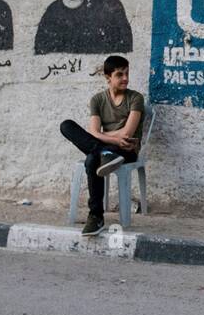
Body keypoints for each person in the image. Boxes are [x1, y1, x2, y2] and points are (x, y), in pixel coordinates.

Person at [59, 55, 145, 236]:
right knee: (66, 125)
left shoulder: (136, 98)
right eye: (120, 74)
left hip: (126, 151)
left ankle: (95, 216)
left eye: (127, 73)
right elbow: (93, 132)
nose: (125, 78)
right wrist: (111, 139)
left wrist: (102, 136)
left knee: (91, 159)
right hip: (108, 148)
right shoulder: (97, 100)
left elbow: (127, 134)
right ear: (108, 78)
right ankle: (102, 152)